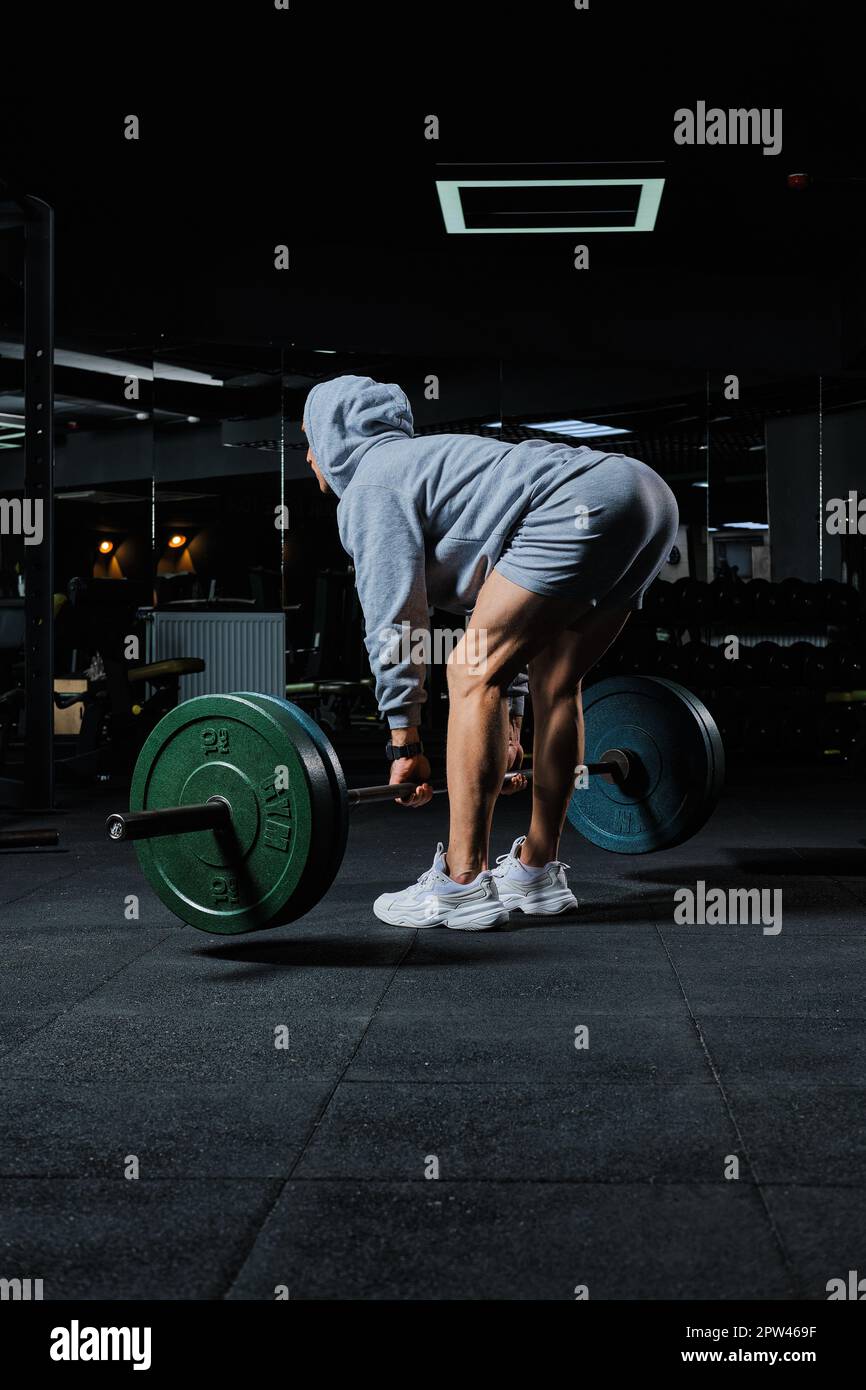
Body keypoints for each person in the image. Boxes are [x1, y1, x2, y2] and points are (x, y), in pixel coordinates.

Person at [302, 375, 678, 930]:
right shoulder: (429, 467)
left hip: (587, 497)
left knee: (470, 672)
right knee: (557, 683)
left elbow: (395, 622)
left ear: (331, 437)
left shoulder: (372, 487)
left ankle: (461, 883)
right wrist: (511, 727)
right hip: (649, 498)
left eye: (309, 439)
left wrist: (404, 739)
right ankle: (537, 872)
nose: (308, 456)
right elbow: (501, 607)